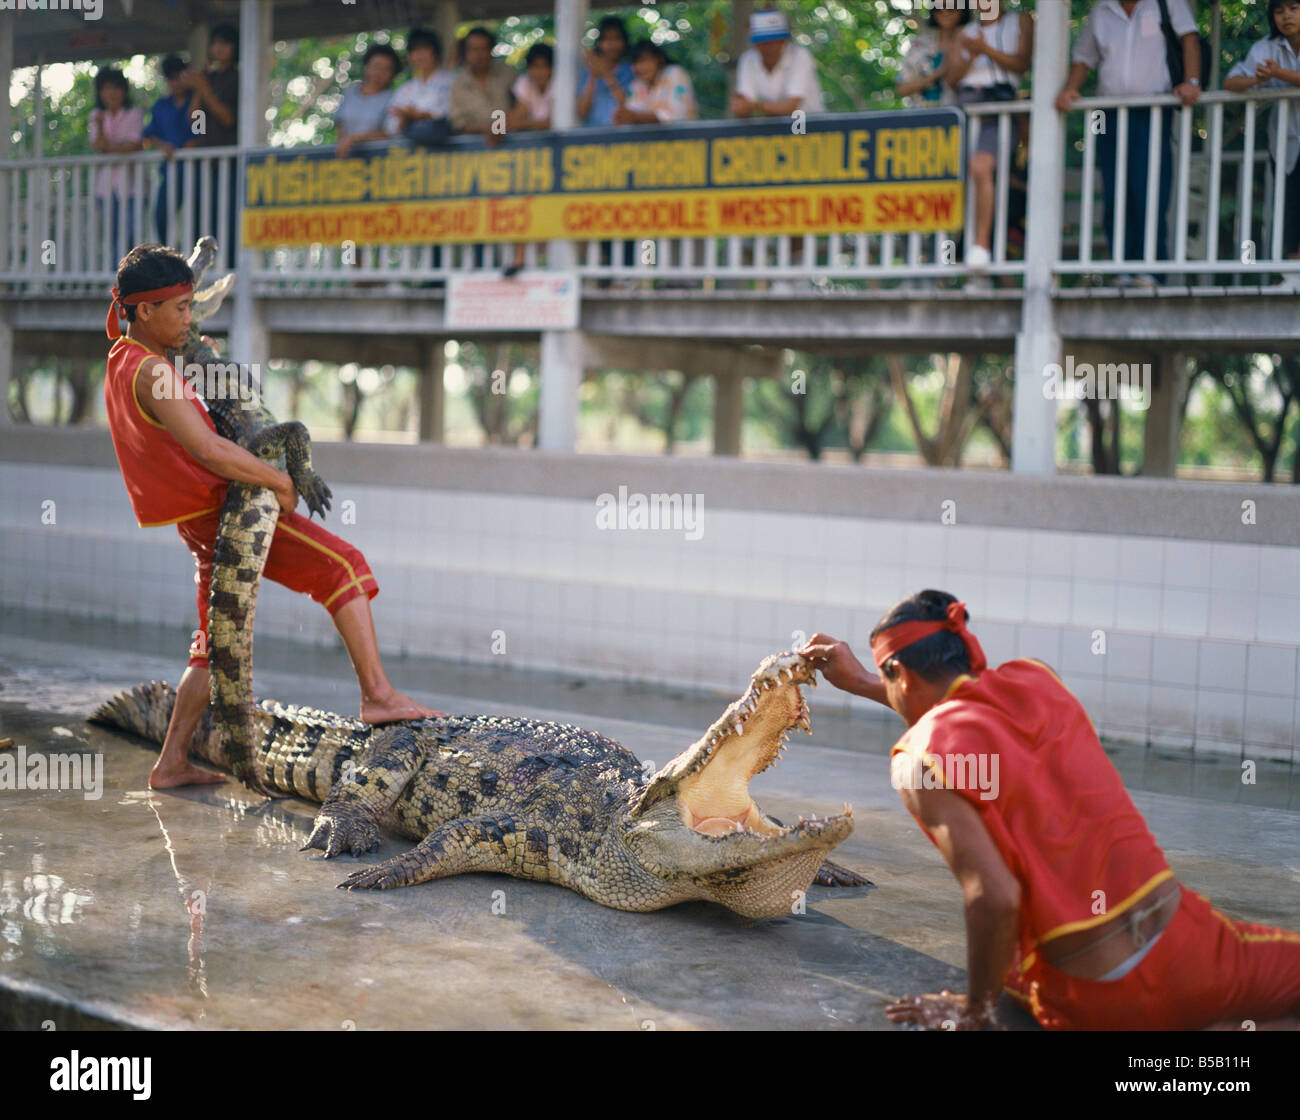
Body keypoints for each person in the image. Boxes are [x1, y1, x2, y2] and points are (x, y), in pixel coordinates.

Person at [801, 590, 1300, 1030]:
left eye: (887, 679)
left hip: (1099, 994)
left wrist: (975, 1011)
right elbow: (967, 708)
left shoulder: (918, 761)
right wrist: (865, 679)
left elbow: (995, 897)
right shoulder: (1039, 679)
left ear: (900, 676)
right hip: (1192, 949)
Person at [102, 245, 439, 790]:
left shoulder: (123, 356)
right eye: (181, 308)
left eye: (191, 306)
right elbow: (209, 449)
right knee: (344, 567)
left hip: (195, 518)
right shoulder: (153, 372)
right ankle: (378, 696)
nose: (189, 318)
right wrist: (282, 481)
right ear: (145, 310)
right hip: (224, 506)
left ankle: (171, 762)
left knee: (212, 643)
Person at [1056, 0, 1203, 288]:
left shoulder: (1166, 3)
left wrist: (1192, 80)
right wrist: (1070, 89)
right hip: (1109, 114)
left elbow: (1190, 38)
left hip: (1152, 109)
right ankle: (1122, 267)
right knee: (1115, 191)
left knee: (1149, 190)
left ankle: (1151, 270)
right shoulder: (1101, 11)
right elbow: (1083, 58)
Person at [946, 4, 1034, 272]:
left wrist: (985, 50)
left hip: (1000, 107)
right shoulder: (965, 31)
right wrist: (971, 57)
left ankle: (981, 244)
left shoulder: (1020, 20)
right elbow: (951, 79)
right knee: (955, 175)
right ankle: (952, 248)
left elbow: (1022, 64)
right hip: (965, 109)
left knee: (981, 167)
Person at [1224, 0, 1300, 291]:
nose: (1286, 16)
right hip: (1286, 140)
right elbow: (1230, 82)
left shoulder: (1275, 64)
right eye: (1279, 11)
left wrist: (1278, 74)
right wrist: (1256, 79)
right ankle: (1293, 275)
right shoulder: (1266, 47)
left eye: (1293, 8)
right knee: (1290, 206)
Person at [183, 23, 240, 266]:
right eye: (215, 43)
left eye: (225, 43)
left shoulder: (237, 78)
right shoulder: (209, 79)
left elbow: (227, 118)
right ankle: (199, 266)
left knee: (227, 218)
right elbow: (195, 120)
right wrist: (199, 87)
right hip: (206, 162)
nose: (219, 48)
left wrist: (204, 88)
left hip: (229, 161)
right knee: (200, 217)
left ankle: (230, 266)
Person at [504, 43, 555, 278]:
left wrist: (525, 123)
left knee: (553, 207)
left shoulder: (562, 82)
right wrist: (525, 122)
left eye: (544, 66)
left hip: (558, 157)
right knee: (522, 204)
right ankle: (519, 257)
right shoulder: (524, 84)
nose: (539, 71)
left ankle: (550, 260)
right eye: (534, 66)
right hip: (531, 158)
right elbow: (514, 119)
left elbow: (555, 121)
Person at [88, 67, 144, 266]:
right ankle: (116, 272)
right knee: (111, 234)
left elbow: (133, 145)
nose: (111, 93)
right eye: (106, 88)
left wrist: (111, 148)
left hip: (132, 185)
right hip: (106, 186)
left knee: (130, 233)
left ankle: (130, 272)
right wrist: (101, 128)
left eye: (116, 88)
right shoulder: (97, 115)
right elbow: (99, 145)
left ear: (124, 90)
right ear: (100, 92)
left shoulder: (134, 113)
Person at [142, 55, 198, 248]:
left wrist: (196, 142)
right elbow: (148, 135)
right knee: (161, 216)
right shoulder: (161, 106)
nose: (177, 83)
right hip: (170, 171)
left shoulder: (196, 102)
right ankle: (167, 253)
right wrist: (163, 146)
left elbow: (201, 129)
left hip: (196, 172)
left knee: (197, 218)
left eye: (180, 77)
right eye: (172, 79)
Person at [730, 8, 825, 118]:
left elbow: (791, 107)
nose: (770, 47)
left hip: (810, 123)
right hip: (773, 125)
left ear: (784, 41)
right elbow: (743, 104)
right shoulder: (748, 59)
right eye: (764, 42)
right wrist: (740, 107)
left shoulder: (800, 55)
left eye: (775, 41)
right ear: (756, 44)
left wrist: (753, 106)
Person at [386, 28, 455, 147]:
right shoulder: (404, 89)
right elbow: (391, 127)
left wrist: (421, 115)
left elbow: (452, 117)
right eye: (414, 50)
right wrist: (404, 119)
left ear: (435, 52)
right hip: (411, 152)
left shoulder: (452, 81)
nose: (419, 55)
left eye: (424, 49)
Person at [450, 25, 516, 147]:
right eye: (474, 49)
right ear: (466, 53)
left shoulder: (508, 74)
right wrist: (489, 129)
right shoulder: (457, 85)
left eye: (484, 49)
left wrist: (502, 127)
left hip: (517, 146)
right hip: (473, 151)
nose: (479, 55)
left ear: (491, 50)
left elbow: (524, 106)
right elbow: (459, 124)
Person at [896, 3, 968, 109]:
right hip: (922, 113)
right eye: (938, 8)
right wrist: (938, 73)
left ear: (962, 10)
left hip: (960, 112)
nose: (945, 12)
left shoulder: (971, 43)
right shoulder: (920, 45)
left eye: (951, 7)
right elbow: (902, 89)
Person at [337, 42, 401, 158]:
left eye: (386, 69)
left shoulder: (394, 98)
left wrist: (355, 138)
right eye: (376, 66)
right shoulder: (350, 92)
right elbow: (341, 126)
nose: (379, 73)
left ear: (393, 74)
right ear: (366, 66)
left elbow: (390, 133)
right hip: (348, 158)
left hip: (380, 159)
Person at [615, 41, 698, 125]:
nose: (639, 67)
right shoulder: (637, 84)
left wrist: (636, 117)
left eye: (644, 60)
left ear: (659, 59)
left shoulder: (675, 73)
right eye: (635, 62)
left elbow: (677, 116)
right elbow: (630, 113)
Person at [577, 16, 634, 128]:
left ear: (624, 42)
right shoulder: (587, 73)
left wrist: (606, 74)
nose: (612, 44)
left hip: (623, 135)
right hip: (592, 134)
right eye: (607, 39)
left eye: (617, 39)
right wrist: (593, 75)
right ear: (599, 43)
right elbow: (582, 112)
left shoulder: (631, 70)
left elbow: (629, 106)